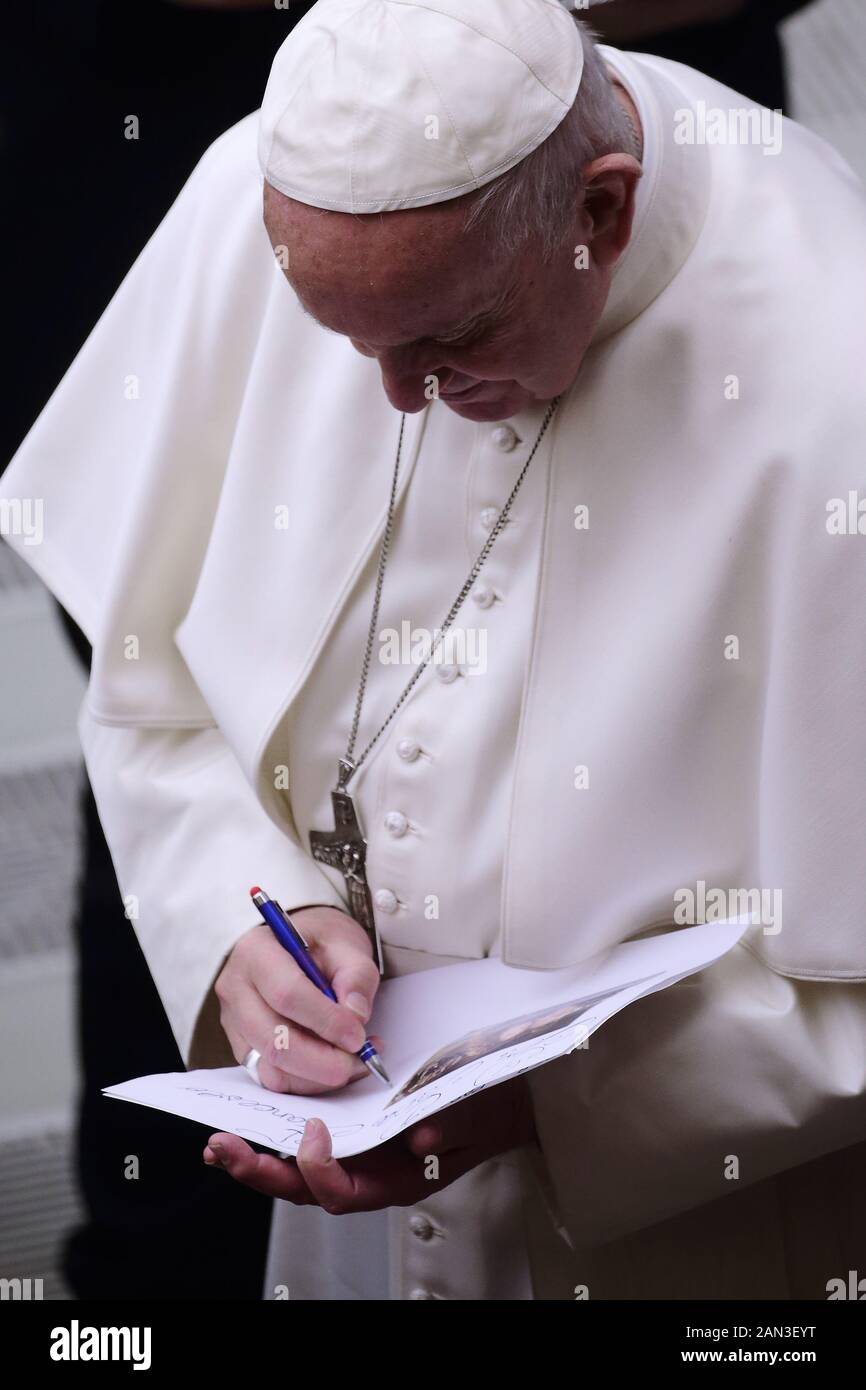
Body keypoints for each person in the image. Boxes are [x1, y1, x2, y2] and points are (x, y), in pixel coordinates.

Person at [2, 0, 866, 1300]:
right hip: (347, 1212)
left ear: (602, 213)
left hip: (707, 1244)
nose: (393, 398)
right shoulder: (264, 189)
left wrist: (565, 1096)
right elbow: (149, 695)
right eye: (348, 344)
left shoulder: (829, 354)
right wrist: (253, 912)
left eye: (447, 341)